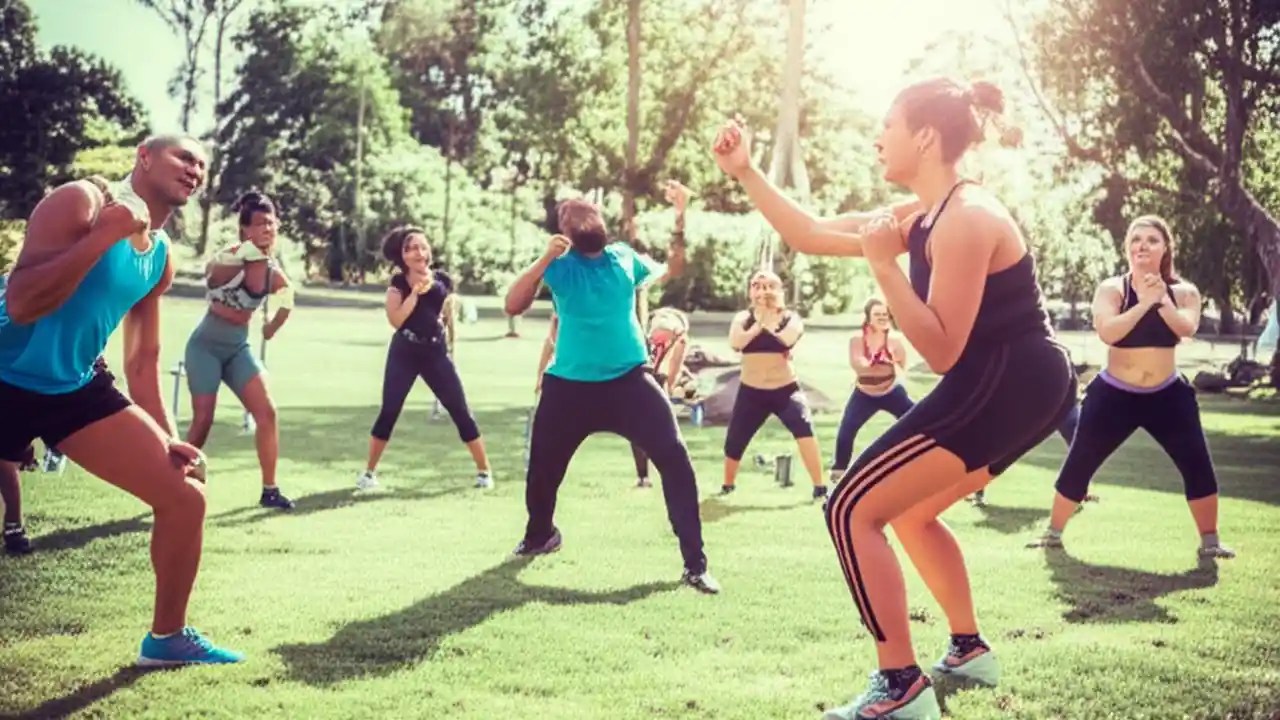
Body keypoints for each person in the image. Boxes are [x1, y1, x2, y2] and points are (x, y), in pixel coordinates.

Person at [714, 78, 1077, 719]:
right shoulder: (923, 216)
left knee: (850, 505)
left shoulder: (969, 218)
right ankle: (968, 649)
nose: (877, 137)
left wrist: (886, 267)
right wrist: (743, 172)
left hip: (1012, 379)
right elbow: (810, 233)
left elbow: (940, 350)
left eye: (887, 123)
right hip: (1016, 383)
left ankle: (901, 685)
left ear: (926, 136)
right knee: (906, 512)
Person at [0, 134, 242, 665]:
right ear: (145, 157)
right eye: (184, 157)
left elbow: (141, 361)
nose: (194, 169)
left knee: (185, 495)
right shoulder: (82, 202)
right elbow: (20, 304)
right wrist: (103, 234)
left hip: (72, 388)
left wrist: (168, 438)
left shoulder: (159, 256)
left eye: (202, 165)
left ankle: (166, 639)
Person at [504, 186, 719, 594]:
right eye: (575, 216)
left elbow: (673, 268)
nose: (587, 220)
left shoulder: (623, 257)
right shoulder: (560, 267)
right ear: (563, 230)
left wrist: (680, 217)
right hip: (568, 386)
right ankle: (541, 535)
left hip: (629, 381)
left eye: (591, 214)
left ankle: (695, 563)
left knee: (675, 460)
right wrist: (547, 256)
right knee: (542, 471)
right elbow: (513, 305)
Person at [1028, 215, 1235, 559]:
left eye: (1152, 239)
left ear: (1165, 247)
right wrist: (1143, 302)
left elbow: (1185, 328)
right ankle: (1053, 533)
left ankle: (1210, 542)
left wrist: (1161, 300)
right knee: (1080, 462)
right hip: (1114, 394)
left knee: (1197, 463)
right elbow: (1109, 332)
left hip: (1167, 395)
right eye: (1136, 239)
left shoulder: (1184, 293)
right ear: (1127, 248)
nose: (1142, 245)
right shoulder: (1113, 289)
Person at [357, 226, 492, 491]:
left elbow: (446, 312)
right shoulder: (398, 283)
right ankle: (369, 473)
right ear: (403, 256)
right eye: (412, 248)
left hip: (435, 353)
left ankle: (484, 472)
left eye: (423, 246)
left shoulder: (443, 280)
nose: (420, 252)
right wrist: (415, 294)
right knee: (390, 410)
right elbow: (396, 320)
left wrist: (451, 341)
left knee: (460, 410)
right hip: (405, 351)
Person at [183, 191, 296, 509]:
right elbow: (212, 273)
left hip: (238, 350)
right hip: (205, 347)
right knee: (203, 419)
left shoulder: (273, 272)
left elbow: (288, 301)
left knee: (268, 413)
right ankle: (173, 482)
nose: (268, 229)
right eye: (260, 224)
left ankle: (270, 491)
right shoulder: (231, 258)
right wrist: (249, 252)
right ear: (245, 229)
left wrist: (271, 328)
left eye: (272, 223)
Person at [722, 269, 828, 500]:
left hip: (785, 390)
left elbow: (787, 338)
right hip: (751, 391)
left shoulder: (791, 318)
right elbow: (736, 342)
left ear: (779, 291)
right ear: (750, 291)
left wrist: (769, 319)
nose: (762, 290)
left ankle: (820, 487)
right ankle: (727, 486)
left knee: (804, 427)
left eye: (768, 286)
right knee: (735, 439)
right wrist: (759, 323)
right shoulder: (743, 318)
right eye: (756, 285)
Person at [829, 298, 914, 484]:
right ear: (868, 317)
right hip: (864, 393)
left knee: (918, 420)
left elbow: (902, 365)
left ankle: (927, 461)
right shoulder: (857, 339)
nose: (882, 318)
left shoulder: (894, 340)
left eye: (885, 314)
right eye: (877, 314)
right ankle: (839, 472)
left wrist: (894, 358)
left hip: (891, 391)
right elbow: (858, 364)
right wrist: (872, 361)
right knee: (846, 431)